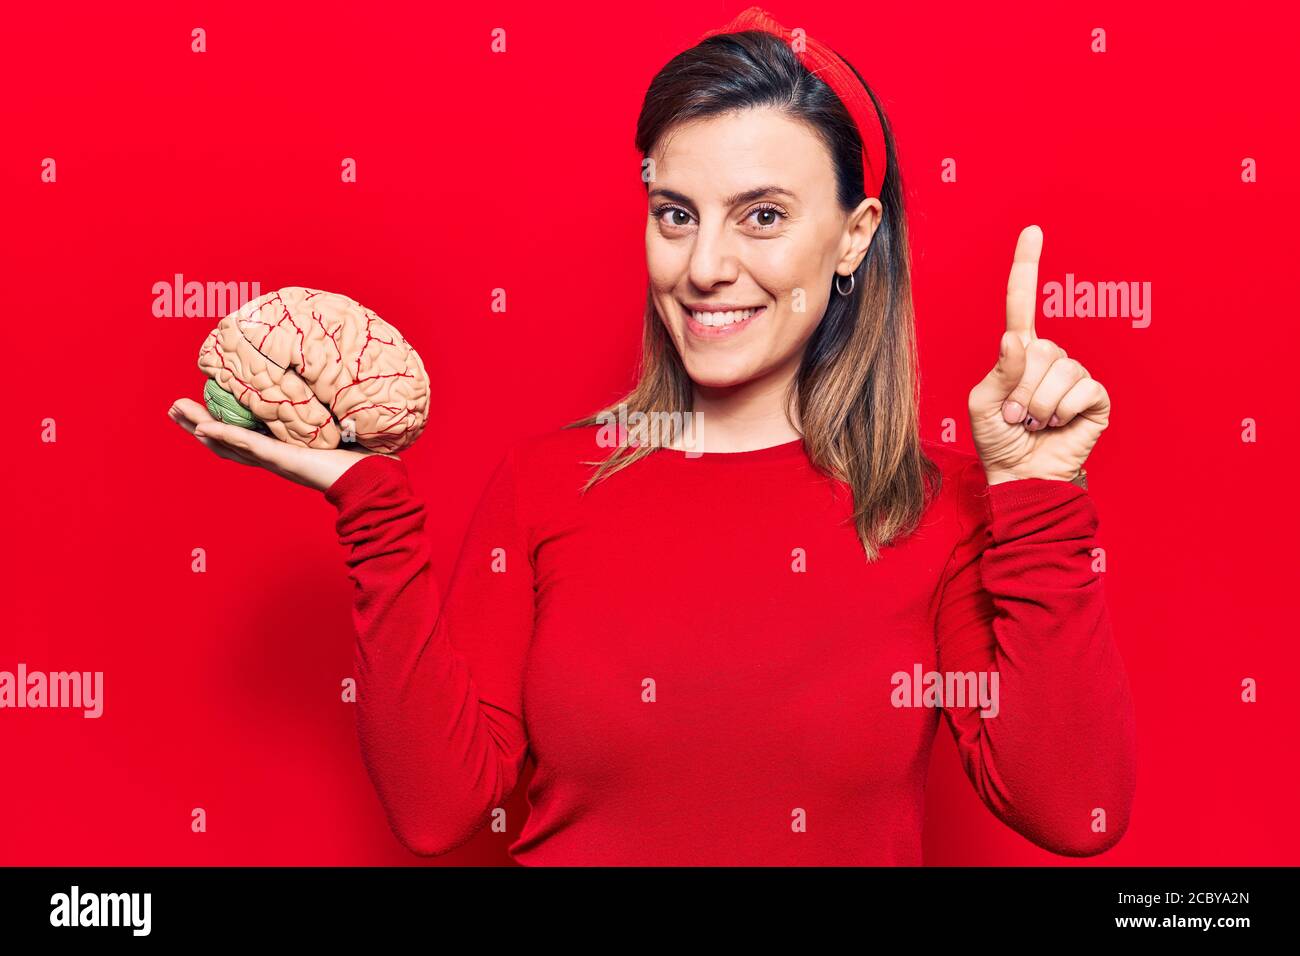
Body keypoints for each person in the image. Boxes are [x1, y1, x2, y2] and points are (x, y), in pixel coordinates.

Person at [167, 6, 1136, 865]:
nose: (704, 264)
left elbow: (1072, 809)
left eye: (761, 216)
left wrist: (1041, 497)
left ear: (853, 235)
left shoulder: (934, 504)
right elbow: (436, 812)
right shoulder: (545, 482)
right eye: (675, 214)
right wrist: (369, 507)